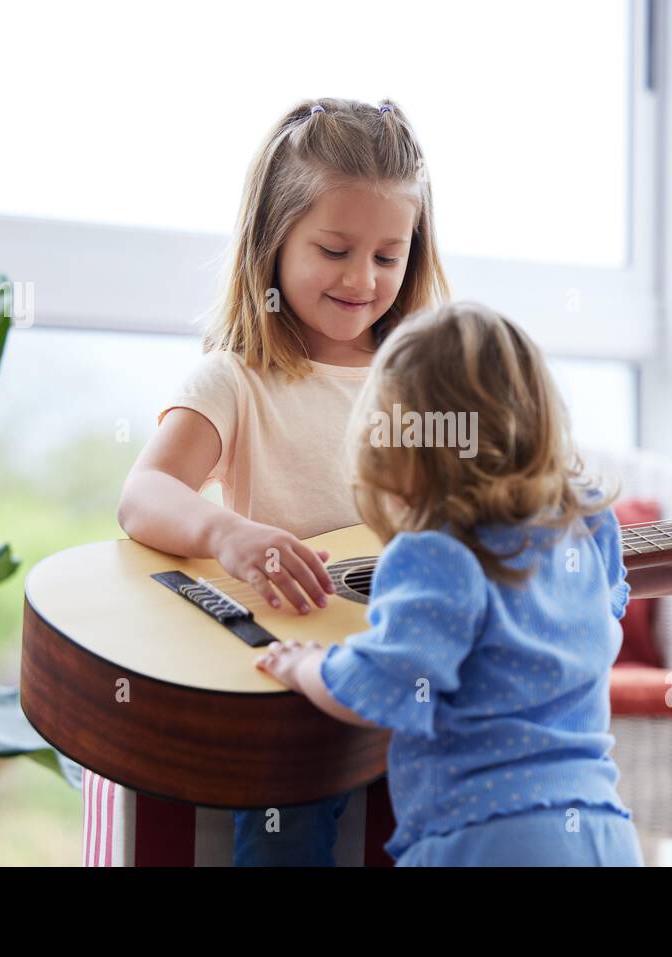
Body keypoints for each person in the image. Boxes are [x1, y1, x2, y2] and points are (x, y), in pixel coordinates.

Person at [255, 301, 672, 865]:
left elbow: (379, 689)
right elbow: (603, 593)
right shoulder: (580, 527)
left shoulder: (437, 554)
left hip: (488, 835)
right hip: (604, 832)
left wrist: (304, 665)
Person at [117, 97, 449, 865]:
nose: (363, 278)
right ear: (274, 242)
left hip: (411, 665)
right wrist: (226, 533)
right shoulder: (236, 380)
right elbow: (144, 495)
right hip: (294, 682)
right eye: (334, 249)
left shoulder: (427, 382)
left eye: (388, 256)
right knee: (287, 821)